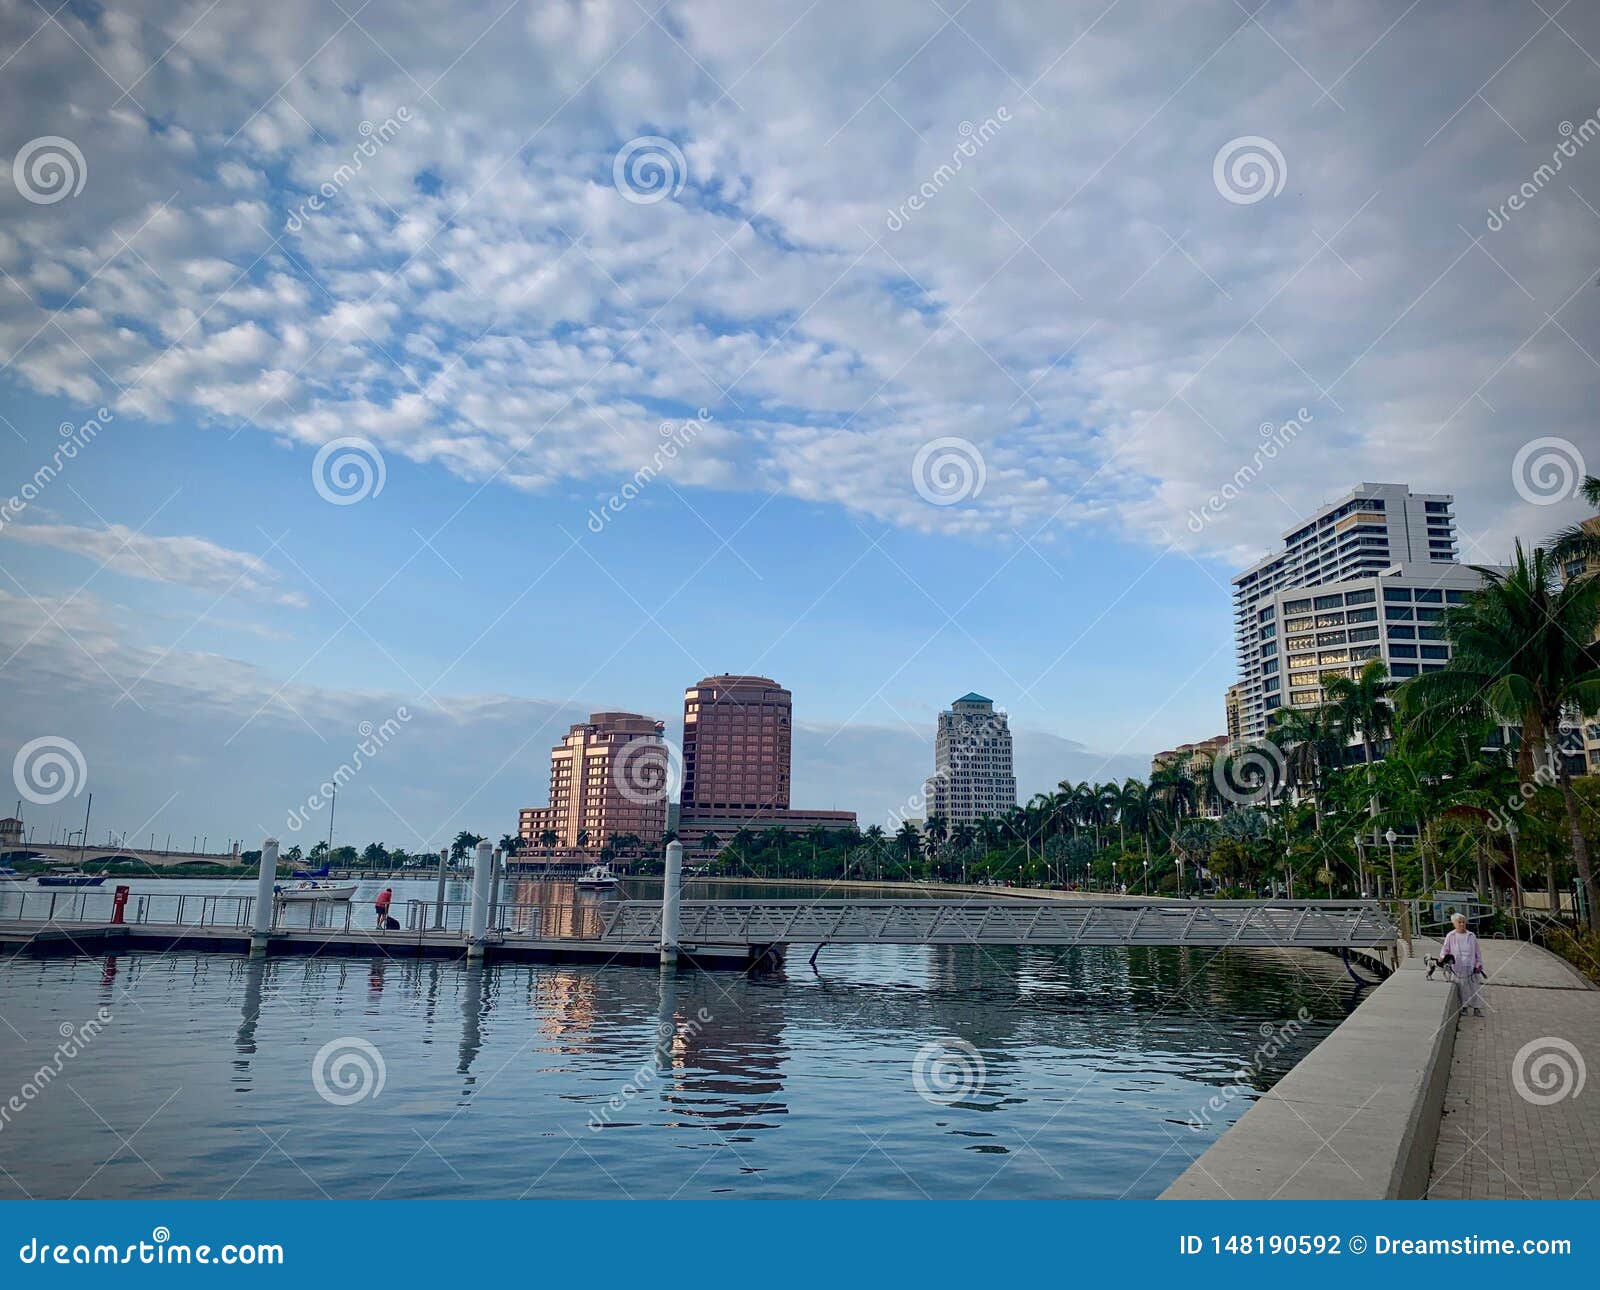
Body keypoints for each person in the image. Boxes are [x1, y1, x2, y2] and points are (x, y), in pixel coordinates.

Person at [1441, 912, 1486, 1016]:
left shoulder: (1471, 935)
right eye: (1459, 922)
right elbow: (1445, 949)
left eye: (1463, 922)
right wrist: (1443, 957)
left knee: (1474, 987)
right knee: (1462, 988)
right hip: (1458, 966)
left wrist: (1479, 963)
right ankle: (1464, 1007)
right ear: (1454, 923)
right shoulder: (1450, 935)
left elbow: (1477, 952)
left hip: (1471, 965)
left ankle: (1476, 1008)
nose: (1462, 924)